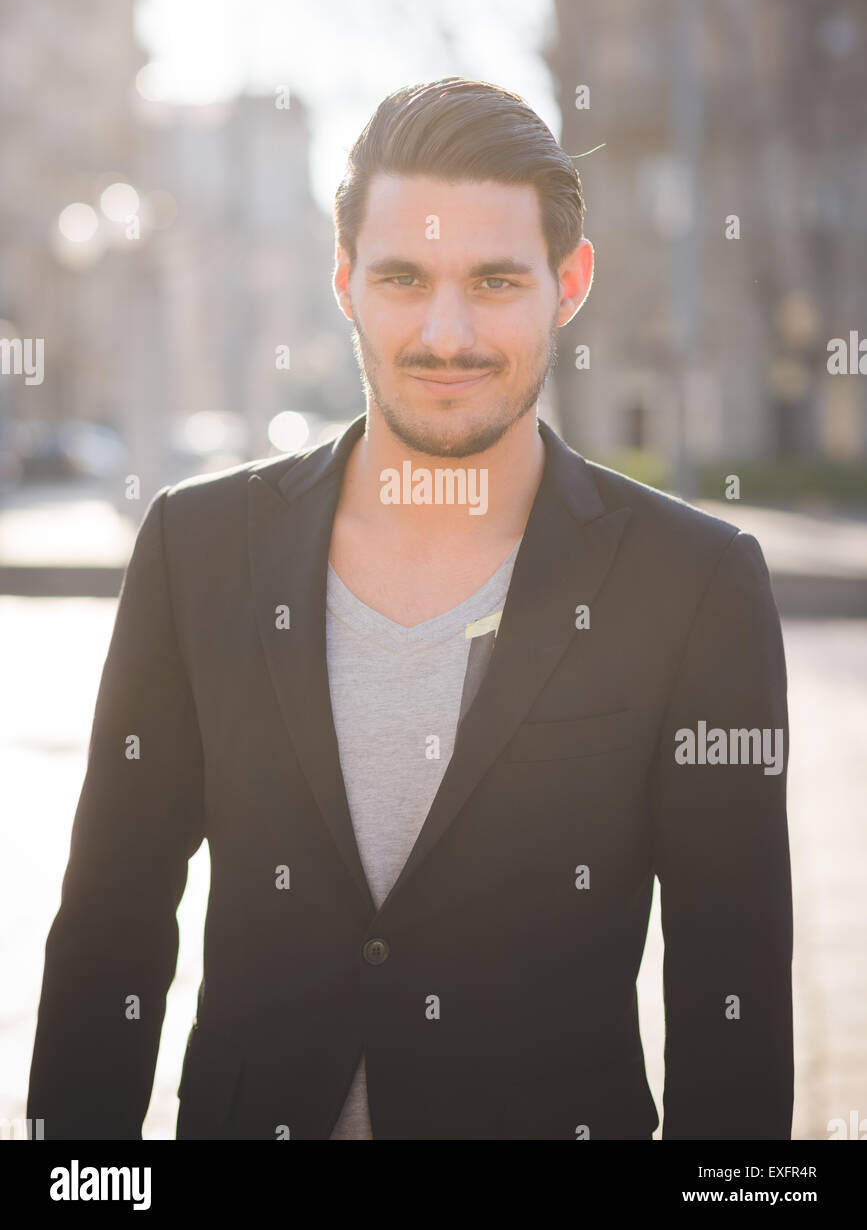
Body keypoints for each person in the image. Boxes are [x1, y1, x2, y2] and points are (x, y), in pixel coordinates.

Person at [27, 77, 793, 1140]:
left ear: (568, 281)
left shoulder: (697, 582)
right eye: (402, 277)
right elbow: (111, 926)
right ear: (345, 281)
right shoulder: (197, 550)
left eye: (492, 279)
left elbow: (733, 996)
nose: (446, 332)